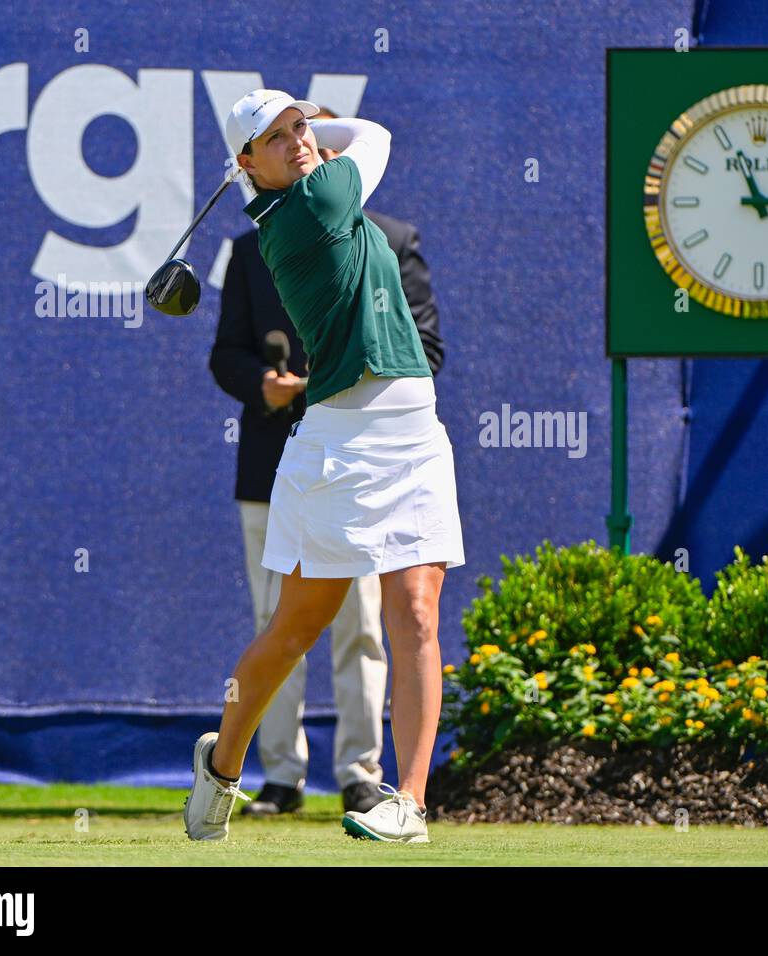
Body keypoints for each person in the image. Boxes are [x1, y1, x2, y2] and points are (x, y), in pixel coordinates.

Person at [184, 89, 463, 845]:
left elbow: (347, 139)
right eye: (275, 140)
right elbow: (375, 130)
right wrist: (326, 135)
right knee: (295, 630)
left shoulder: (314, 187)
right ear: (248, 167)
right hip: (340, 444)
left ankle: (408, 802)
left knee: (416, 612)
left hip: (414, 433)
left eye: (301, 128)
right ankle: (225, 764)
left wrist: (291, 134)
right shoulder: (306, 209)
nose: (299, 143)